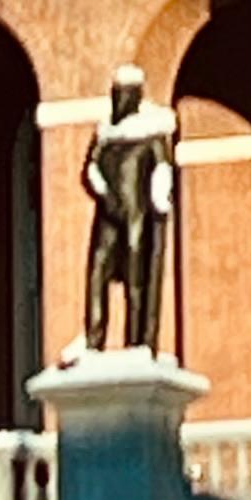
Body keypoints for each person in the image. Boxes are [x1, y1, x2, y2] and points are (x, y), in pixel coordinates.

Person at [75, 63, 177, 354]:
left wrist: (160, 201)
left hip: (137, 215)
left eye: (124, 93)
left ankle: (138, 340)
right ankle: (94, 338)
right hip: (109, 213)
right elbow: (91, 167)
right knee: (98, 271)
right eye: (116, 92)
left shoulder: (152, 134)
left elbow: (162, 170)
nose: (118, 99)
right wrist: (103, 192)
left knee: (137, 274)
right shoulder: (105, 133)